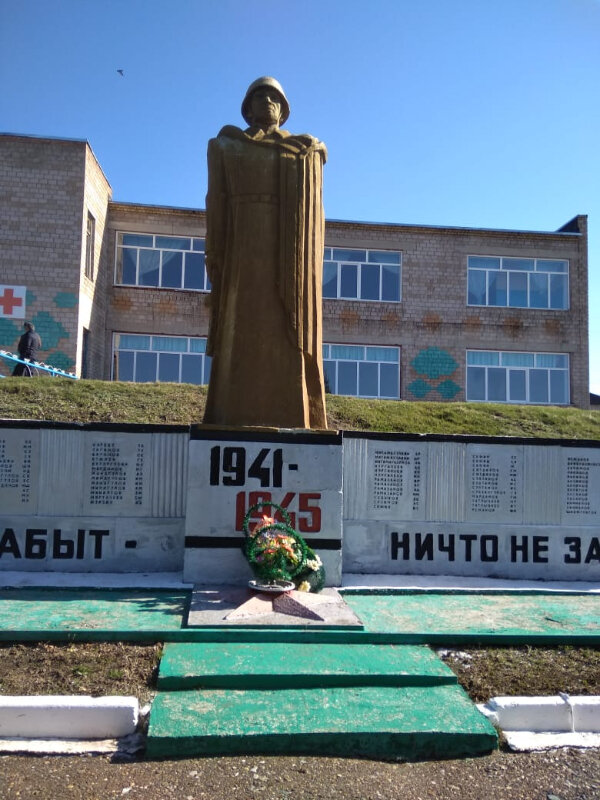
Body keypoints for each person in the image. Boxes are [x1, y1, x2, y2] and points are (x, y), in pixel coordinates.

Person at [203, 76, 328, 429]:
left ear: (283, 110)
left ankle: (293, 410)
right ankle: (233, 410)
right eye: (260, 97)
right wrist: (214, 251)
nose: (267, 103)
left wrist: (316, 152)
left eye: (274, 98)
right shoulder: (226, 145)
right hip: (243, 245)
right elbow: (216, 202)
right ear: (248, 106)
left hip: (285, 247)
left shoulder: (297, 148)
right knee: (240, 322)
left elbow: (313, 198)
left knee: (283, 326)